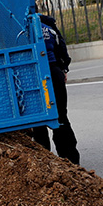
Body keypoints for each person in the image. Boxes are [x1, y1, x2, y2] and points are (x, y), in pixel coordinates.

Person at [31, 14, 80, 164]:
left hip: (31, 74)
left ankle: (43, 162)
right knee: (60, 117)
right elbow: (62, 49)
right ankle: (70, 160)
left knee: (38, 120)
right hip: (54, 73)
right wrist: (63, 69)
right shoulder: (49, 27)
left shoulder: (22, 28)